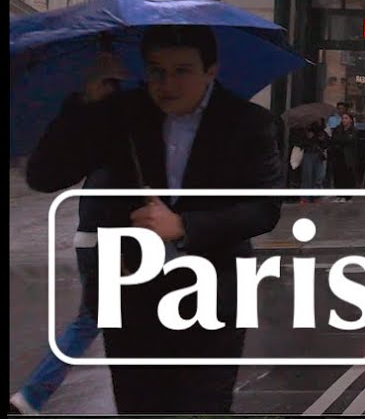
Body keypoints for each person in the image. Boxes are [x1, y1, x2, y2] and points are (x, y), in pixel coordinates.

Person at [25, 25, 284, 414]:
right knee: (138, 405)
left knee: (202, 405)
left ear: (210, 69)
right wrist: (85, 104)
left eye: (182, 70)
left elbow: (262, 209)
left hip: (213, 294)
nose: (167, 83)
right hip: (131, 294)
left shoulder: (247, 122)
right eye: (156, 70)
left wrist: (184, 226)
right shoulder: (121, 114)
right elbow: (44, 176)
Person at [10, 169, 109, 415]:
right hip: (111, 244)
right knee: (92, 321)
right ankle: (30, 398)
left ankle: (30, 399)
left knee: (89, 322)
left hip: (92, 238)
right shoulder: (136, 148)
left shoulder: (111, 147)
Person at [329, 112, 359, 200]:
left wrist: (341, 140)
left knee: (348, 177)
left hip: (348, 157)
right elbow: (334, 140)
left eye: (346, 118)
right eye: (343, 118)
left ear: (350, 120)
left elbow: (349, 140)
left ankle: (347, 196)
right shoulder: (338, 129)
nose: (344, 120)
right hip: (338, 156)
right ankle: (339, 195)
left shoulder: (354, 130)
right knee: (338, 177)